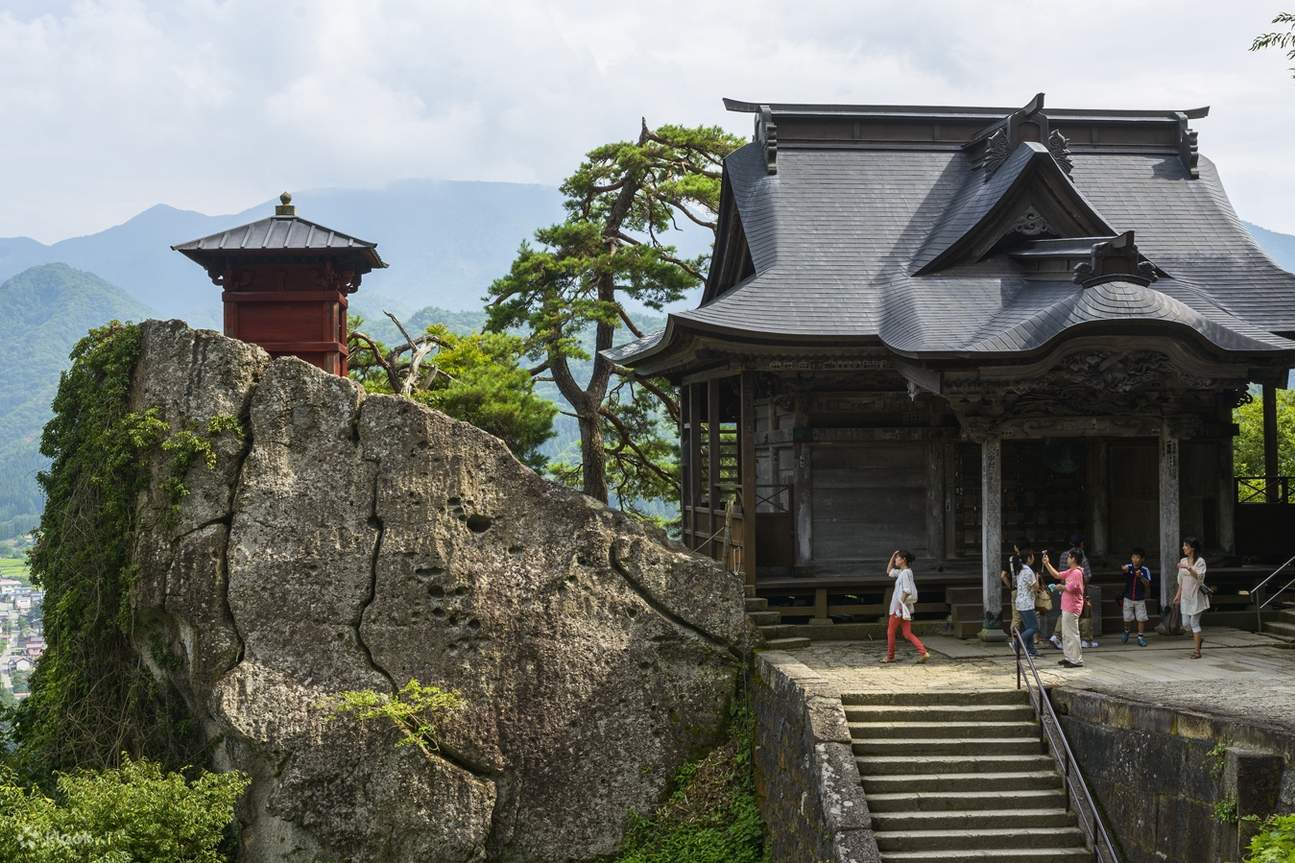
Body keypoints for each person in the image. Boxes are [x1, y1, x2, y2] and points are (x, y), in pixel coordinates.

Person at [1049, 534, 1098, 649]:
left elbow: (1059, 573)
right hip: (1077, 591)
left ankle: (1057, 636)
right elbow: (1087, 576)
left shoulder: (1063, 555)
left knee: (1065, 614)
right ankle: (1085, 639)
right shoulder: (1080, 557)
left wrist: (1061, 586)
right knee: (1085, 615)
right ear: (1081, 544)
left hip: (1064, 587)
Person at [881, 549, 930, 664]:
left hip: (899, 609)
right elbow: (889, 571)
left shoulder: (905, 573)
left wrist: (899, 606)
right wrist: (893, 556)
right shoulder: (903, 572)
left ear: (904, 560)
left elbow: (907, 591)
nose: (896, 560)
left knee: (890, 632)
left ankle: (890, 656)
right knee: (907, 634)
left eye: (898, 558)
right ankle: (923, 652)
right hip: (904, 608)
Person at [1042, 549, 1085, 668]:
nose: (1067, 559)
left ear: (1074, 559)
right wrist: (1047, 564)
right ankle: (1069, 657)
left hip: (1072, 606)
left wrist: (1059, 587)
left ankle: (1076, 660)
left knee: (1072, 634)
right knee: (1066, 634)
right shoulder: (1072, 571)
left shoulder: (1076, 572)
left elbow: (1071, 588)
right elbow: (1057, 575)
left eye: (1069, 557)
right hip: (1068, 606)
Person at [1173, 536, 1209, 659]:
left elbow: (1199, 577)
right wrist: (1177, 595)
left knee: (1194, 623)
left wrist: (1188, 568)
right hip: (1185, 597)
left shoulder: (1200, 562)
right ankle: (1198, 638)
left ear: (1192, 548)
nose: (1183, 548)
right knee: (1186, 624)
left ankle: (1197, 652)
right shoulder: (1183, 560)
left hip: (1196, 596)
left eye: (1186, 546)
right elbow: (1181, 581)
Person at [1120, 547, 1153, 647]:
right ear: (1131, 558)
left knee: (1141, 618)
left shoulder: (1145, 570)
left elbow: (1148, 585)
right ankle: (1126, 631)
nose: (1135, 559)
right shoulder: (1128, 567)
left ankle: (1140, 637)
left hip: (1140, 599)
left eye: (1138, 557)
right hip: (1128, 597)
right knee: (1127, 618)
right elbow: (1123, 570)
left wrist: (1141, 577)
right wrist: (1124, 570)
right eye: (1133, 557)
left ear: (1142, 559)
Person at [1013, 547, 1041, 657]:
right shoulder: (1028, 571)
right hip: (1027, 603)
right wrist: (1037, 577)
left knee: (1028, 627)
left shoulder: (1020, 569)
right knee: (1034, 627)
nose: (1033, 558)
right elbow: (1035, 587)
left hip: (1020, 603)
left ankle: (1031, 650)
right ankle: (1018, 642)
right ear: (1029, 558)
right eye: (1032, 556)